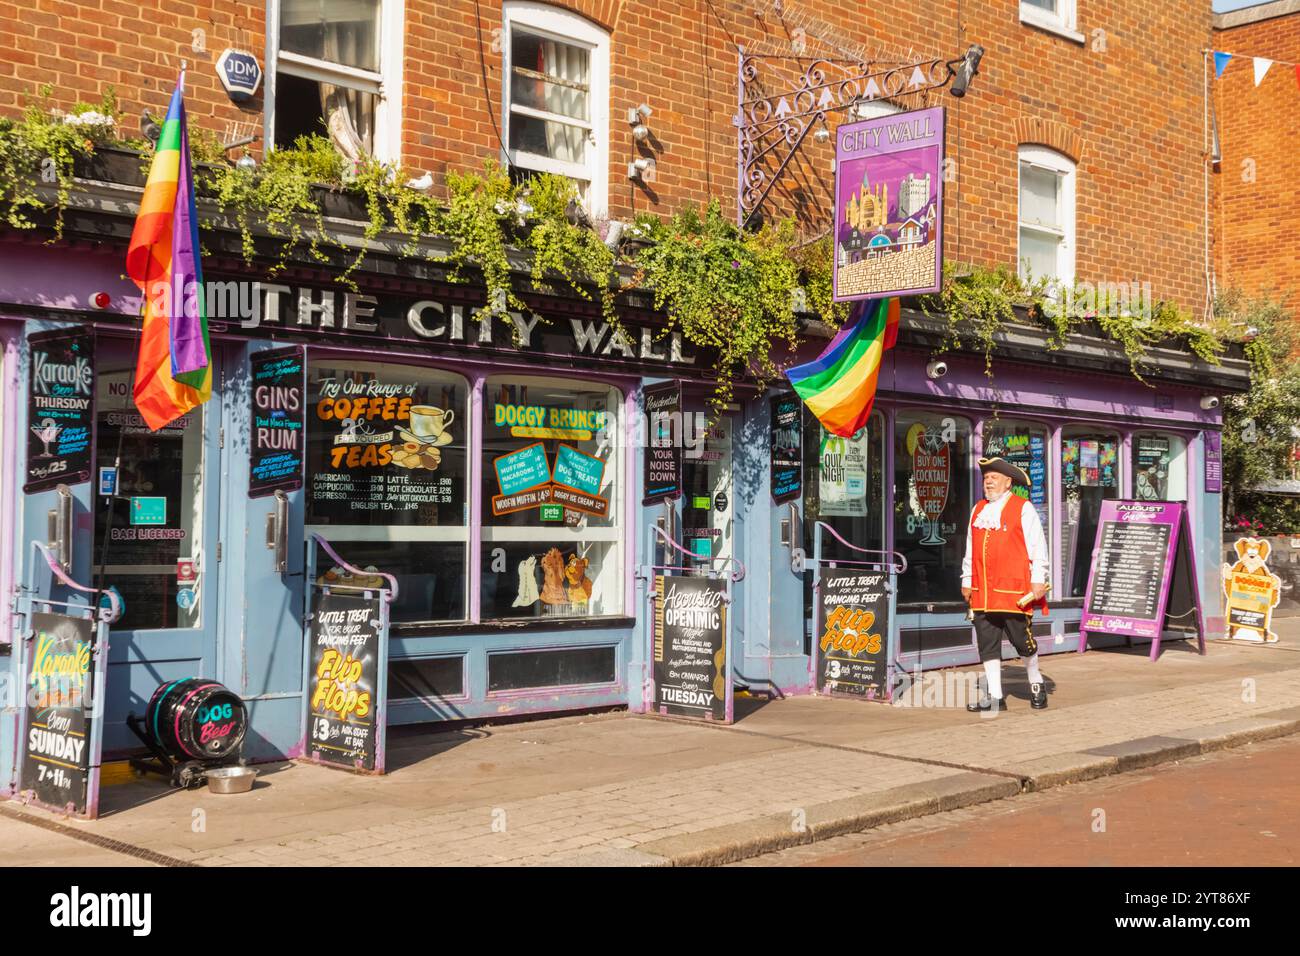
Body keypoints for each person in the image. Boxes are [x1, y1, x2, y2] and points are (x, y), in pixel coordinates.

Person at [962, 457, 1050, 713]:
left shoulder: (1023, 508)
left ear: (1008, 482)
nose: (988, 481)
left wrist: (1038, 579)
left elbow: (1038, 545)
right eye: (986, 478)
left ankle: (1036, 682)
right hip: (982, 591)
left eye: (994, 477)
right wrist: (967, 579)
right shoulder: (977, 510)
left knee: (1022, 641)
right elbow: (970, 547)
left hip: (1013, 589)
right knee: (987, 644)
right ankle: (995, 696)